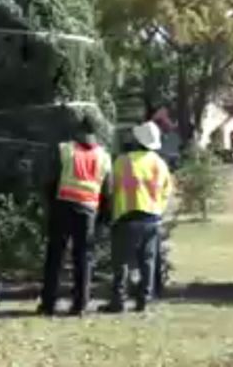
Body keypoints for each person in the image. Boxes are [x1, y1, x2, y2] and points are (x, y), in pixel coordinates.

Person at [38, 116, 113, 317]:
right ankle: (81, 304)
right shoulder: (104, 157)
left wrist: (49, 204)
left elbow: (50, 179)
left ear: (79, 131)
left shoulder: (65, 149)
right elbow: (107, 190)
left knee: (55, 256)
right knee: (83, 258)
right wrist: (103, 216)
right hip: (88, 209)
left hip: (63, 204)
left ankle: (48, 303)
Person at [103, 121, 173, 314]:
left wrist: (110, 211)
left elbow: (110, 189)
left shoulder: (122, 162)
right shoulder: (160, 163)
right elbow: (167, 190)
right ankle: (144, 300)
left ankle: (118, 300)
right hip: (152, 218)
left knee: (121, 263)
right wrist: (159, 210)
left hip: (127, 217)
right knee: (147, 262)